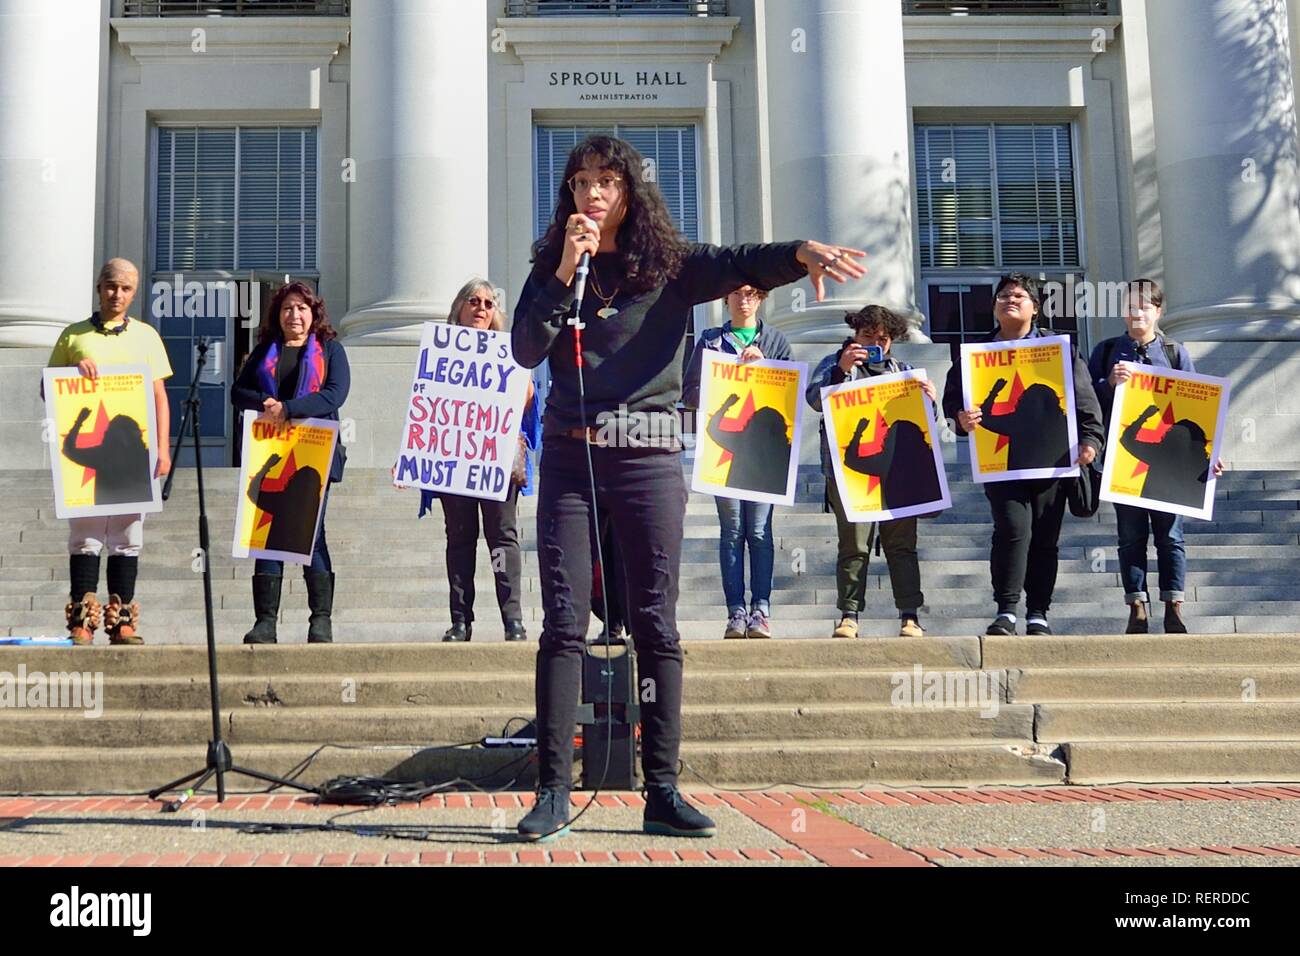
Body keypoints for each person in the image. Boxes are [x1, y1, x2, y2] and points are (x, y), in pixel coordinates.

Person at [511, 134, 865, 841]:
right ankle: (552, 790)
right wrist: (561, 269)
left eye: (606, 181)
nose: (592, 193)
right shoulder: (554, 266)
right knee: (562, 622)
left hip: (644, 457)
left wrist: (800, 252)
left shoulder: (670, 266)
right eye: (581, 182)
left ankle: (662, 790)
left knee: (655, 621)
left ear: (628, 192)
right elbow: (525, 347)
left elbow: (741, 261)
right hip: (571, 461)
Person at [943, 273, 1105, 636]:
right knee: (1012, 529)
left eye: (1018, 295)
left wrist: (1090, 442)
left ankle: (1038, 612)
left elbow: (1086, 404)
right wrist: (960, 417)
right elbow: (953, 400)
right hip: (1005, 465)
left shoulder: (1061, 350)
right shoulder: (975, 354)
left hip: (1055, 461)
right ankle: (1007, 609)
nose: (1009, 300)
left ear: (1035, 308)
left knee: (1045, 538)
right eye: (1003, 295)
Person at [43, 259, 172, 645]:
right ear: (99, 287)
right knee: (84, 536)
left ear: (134, 294)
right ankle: (82, 619)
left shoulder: (147, 336)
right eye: (112, 286)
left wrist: (163, 449)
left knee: (128, 536)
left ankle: (122, 619)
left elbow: (159, 397)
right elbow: (47, 389)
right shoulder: (73, 336)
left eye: (127, 289)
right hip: (89, 457)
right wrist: (72, 373)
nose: (118, 295)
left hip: (133, 459)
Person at [1087, 278, 1224, 634]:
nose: (1137, 313)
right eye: (1131, 307)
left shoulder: (1176, 353)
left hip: (1172, 463)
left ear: (1158, 311)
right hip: (1125, 458)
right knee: (1130, 536)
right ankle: (1136, 605)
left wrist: (1210, 453)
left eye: (1144, 307)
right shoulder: (1105, 352)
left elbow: (1200, 407)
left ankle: (1173, 605)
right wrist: (1108, 385)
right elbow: (1085, 405)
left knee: (1171, 538)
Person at [416, 278, 541, 643]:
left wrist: (524, 386)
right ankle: (460, 620)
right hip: (454, 459)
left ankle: (512, 620)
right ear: (459, 308)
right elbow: (427, 407)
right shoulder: (439, 352)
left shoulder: (511, 351)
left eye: (489, 302)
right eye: (474, 301)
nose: (482, 308)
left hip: (496, 460)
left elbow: (529, 403)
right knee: (459, 539)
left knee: (502, 539)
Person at [806, 305, 936, 639]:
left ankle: (910, 615)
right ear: (854, 335)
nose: (875, 343)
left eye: (883, 338)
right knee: (853, 545)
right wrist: (841, 369)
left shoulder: (903, 369)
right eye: (867, 336)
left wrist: (930, 401)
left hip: (899, 471)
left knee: (902, 545)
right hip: (850, 472)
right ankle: (849, 615)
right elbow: (815, 400)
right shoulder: (835, 364)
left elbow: (923, 424)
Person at [232, 281, 350, 644]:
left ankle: (320, 620)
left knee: (311, 532)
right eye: (287, 308)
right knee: (268, 533)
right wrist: (266, 403)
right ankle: (265, 621)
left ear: (313, 313)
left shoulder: (330, 349)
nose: (294, 315)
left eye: (301, 308)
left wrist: (289, 409)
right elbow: (238, 392)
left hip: (313, 455)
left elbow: (334, 394)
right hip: (271, 453)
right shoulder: (265, 350)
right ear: (277, 315)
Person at [682, 285, 792, 639]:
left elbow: (791, 392)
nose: (743, 299)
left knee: (759, 532)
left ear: (760, 299)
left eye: (751, 294)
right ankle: (735, 612)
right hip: (725, 455)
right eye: (736, 293)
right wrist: (721, 381)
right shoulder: (710, 341)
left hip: (763, 456)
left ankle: (761, 609)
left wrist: (766, 366)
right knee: (731, 533)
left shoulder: (776, 341)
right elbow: (689, 394)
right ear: (725, 299)